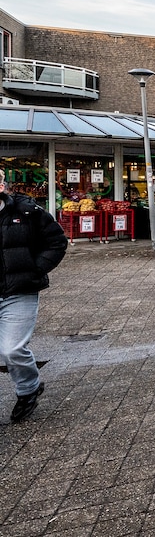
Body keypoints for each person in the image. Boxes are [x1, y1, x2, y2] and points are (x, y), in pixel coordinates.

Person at [0, 176, 68, 422]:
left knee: (12, 349)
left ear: (1, 186)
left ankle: (28, 388)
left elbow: (56, 242)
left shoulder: (27, 211)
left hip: (19, 292)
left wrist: (34, 270)